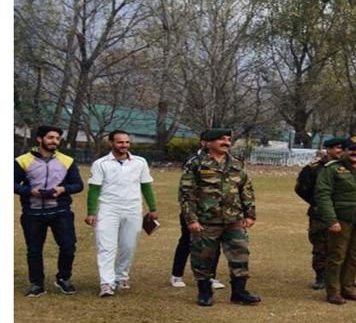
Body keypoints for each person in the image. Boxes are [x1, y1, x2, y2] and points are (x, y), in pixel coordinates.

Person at [178, 128, 260, 307]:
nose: (226, 142)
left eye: (228, 139)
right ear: (208, 143)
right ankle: (205, 292)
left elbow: (246, 189)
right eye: (221, 139)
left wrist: (250, 214)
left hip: (234, 220)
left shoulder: (237, 163)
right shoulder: (196, 164)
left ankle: (239, 292)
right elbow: (186, 194)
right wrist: (191, 219)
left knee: (240, 256)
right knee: (203, 258)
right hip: (206, 220)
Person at [85, 130, 158, 297]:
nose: (124, 145)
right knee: (106, 247)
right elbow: (94, 189)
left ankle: (121, 276)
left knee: (128, 246)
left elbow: (146, 185)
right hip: (108, 209)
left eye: (126, 142)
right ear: (111, 143)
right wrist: (91, 212)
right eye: (120, 142)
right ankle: (106, 283)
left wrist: (152, 208)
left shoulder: (140, 162)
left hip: (132, 209)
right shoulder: (100, 164)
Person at [14, 125, 84, 297]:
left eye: (57, 139)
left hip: (61, 212)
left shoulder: (67, 161)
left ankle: (63, 279)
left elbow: (78, 185)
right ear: (39, 139)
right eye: (50, 138)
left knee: (68, 247)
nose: (54, 141)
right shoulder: (22, 161)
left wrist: (62, 189)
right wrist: (29, 191)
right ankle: (37, 284)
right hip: (33, 213)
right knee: (34, 250)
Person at [314, 136, 356, 305]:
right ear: (344, 151)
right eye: (352, 149)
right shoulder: (332, 169)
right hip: (341, 219)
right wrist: (331, 220)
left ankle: (348, 288)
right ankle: (333, 291)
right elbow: (323, 195)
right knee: (337, 255)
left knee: (355, 256)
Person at [170, 135, 224, 290]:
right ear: (204, 143)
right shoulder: (193, 161)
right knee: (187, 241)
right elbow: (186, 189)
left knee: (214, 244)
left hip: (214, 211)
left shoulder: (224, 160)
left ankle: (210, 276)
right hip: (193, 209)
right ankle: (176, 274)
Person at [294, 137, 345, 289]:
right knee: (320, 246)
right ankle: (321, 276)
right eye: (337, 148)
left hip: (342, 213)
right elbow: (301, 188)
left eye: (342, 148)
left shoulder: (346, 167)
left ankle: (340, 276)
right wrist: (317, 203)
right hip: (320, 214)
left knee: (341, 246)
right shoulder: (313, 168)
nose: (340, 151)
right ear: (328, 149)